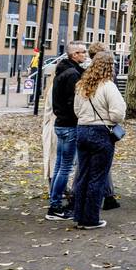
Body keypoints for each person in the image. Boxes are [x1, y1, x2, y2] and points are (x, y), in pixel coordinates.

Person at [71, 51, 125, 230]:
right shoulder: (108, 86)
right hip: (101, 131)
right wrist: (107, 118)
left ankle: (79, 215)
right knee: (98, 176)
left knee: (83, 175)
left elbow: (77, 110)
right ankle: (91, 218)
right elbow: (118, 113)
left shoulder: (81, 85)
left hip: (82, 129)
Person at [47, 42, 87, 220]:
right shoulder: (72, 74)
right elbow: (74, 102)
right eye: (82, 52)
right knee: (66, 167)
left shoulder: (63, 71)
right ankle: (55, 205)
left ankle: (54, 200)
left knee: (60, 165)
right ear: (74, 55)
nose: (85, 55)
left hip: (61, 123)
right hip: (69, 124)